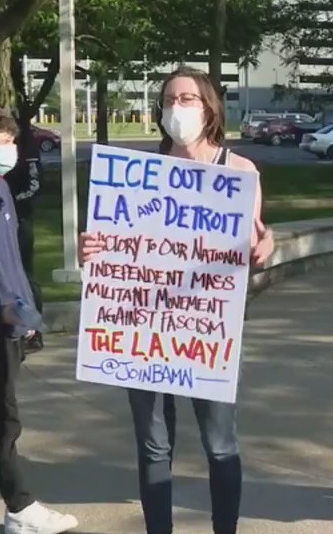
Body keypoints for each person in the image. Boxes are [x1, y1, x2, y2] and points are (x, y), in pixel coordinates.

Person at [77, 67, 275, 534]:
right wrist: (90, 251)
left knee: (220, 442)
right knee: (153, 445)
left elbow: (254, 242)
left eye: (188, 98)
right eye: (169, 99)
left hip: (208, 329)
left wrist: (265, 248)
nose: (177, 107)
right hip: (141, 328)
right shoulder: (135, 177)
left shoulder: (239, 172)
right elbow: (114, 250)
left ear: (210, 108)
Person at [0, 113, 78, 534]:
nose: (6, 148)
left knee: (6, 417)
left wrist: (26, 311)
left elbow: (11, 261)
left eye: (9, 140)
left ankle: (18, 508)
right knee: (4, 419)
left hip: (12, 322)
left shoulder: (3, 191)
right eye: (0, 139)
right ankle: (21, 508)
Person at [5, 117, 43, 354]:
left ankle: (34, 331)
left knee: (25, 275)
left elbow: (35, 184)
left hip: (20, 221)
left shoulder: (26, 146)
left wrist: (11, 204)